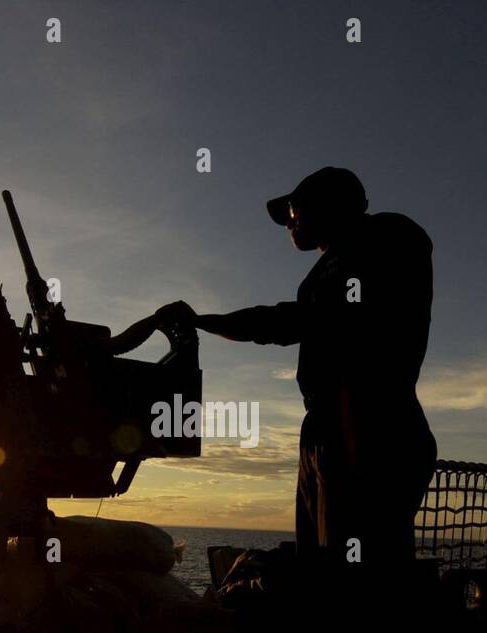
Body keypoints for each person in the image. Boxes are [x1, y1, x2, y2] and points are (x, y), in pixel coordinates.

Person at [158, 167, 437, 590]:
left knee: (360, 582)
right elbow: (298, 318)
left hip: (370, 430)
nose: (289, 222)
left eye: (293, 210)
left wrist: (204, 321)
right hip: (325, 434)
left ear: (330, 206)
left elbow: (293, 321)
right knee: (323, 567)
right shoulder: (324, 275)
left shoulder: (389, 238)